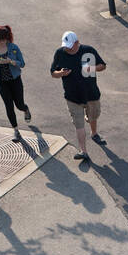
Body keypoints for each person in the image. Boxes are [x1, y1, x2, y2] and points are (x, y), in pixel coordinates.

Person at [50, 30, 107, 163]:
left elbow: (103, 66)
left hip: (91, 94)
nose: (67, 48)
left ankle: (94, 133)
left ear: (76, 43)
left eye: (69, 46)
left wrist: (91, 69)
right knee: (78, 124)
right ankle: (83, 151)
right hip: (72, 96)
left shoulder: (89, 51)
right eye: (65, 45)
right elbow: (53, 73)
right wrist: (61, 73)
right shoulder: (60, 53)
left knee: (94, 116)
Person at [0, 25, 30, 142]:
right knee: (9, 106)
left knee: (19, 104)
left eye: (4, 39)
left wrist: (12, 61)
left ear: (7, 37)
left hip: (15, 80)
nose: (2, 41)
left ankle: (25, 109)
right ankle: (16, 130)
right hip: (2, 82)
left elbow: (22, 63)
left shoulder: (14, 48)